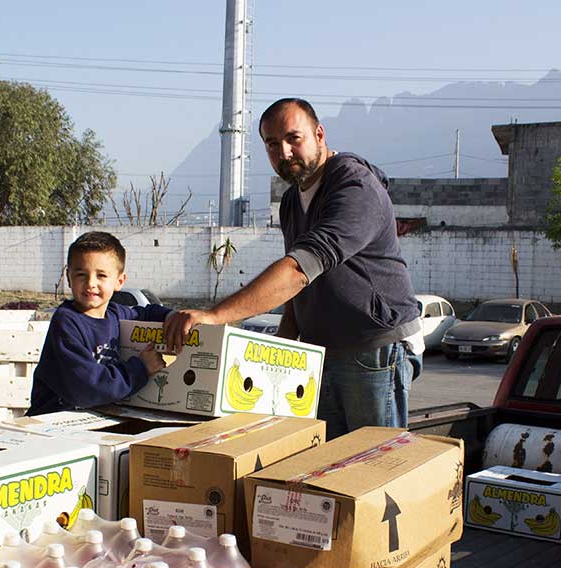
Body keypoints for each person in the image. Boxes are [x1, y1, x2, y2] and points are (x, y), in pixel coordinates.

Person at [164, 97, 420, 438]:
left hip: (373, 350)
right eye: (272, 144)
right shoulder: (291, 201)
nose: (283, 153)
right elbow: (301, 291)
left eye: (293, 139)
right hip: (319, 355)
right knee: (325, 471)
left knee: (370, 467)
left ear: (319, 134)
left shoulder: (355, 186)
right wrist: (279, 357)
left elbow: (300, 269)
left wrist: (214, 316)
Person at [27, 231, 169, 416]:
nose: (90, 283)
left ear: (119, 281)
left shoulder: (118, 315)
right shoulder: (67, 322)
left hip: (95, 421)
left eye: (101, 275)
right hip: (52, 424)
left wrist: (176, 317)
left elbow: (147, 313)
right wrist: (141, 368)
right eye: (81, 274)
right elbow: (88, 389)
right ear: (69, 278)